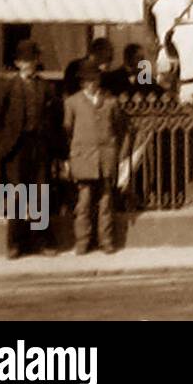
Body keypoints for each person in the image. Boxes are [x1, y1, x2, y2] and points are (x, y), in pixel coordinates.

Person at [0, 39, 62, 259]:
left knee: (41, 192)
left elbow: (56, 116)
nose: (29, 64)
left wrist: (50, 141)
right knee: (18, 194)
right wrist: (8, 138)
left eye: (32, 60)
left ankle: (42, 241)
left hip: (39, 146)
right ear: (17, 63)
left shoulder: (45, 86)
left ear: (37, 61)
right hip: (17, 147)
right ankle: (15, 244)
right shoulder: (8, 87)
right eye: (24, 61)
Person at [64, 61, 125, 254]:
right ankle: (83, 240)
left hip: (105, 157)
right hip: (83, 158)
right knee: (84, 202)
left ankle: (105, 240)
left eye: (95, 79)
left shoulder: (110, 101)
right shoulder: (72, 103)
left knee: (106, 201)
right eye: (87, 81)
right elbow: (68, 130)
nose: (92, 84)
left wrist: (115, 152)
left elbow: (119, 128)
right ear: (82, 83)